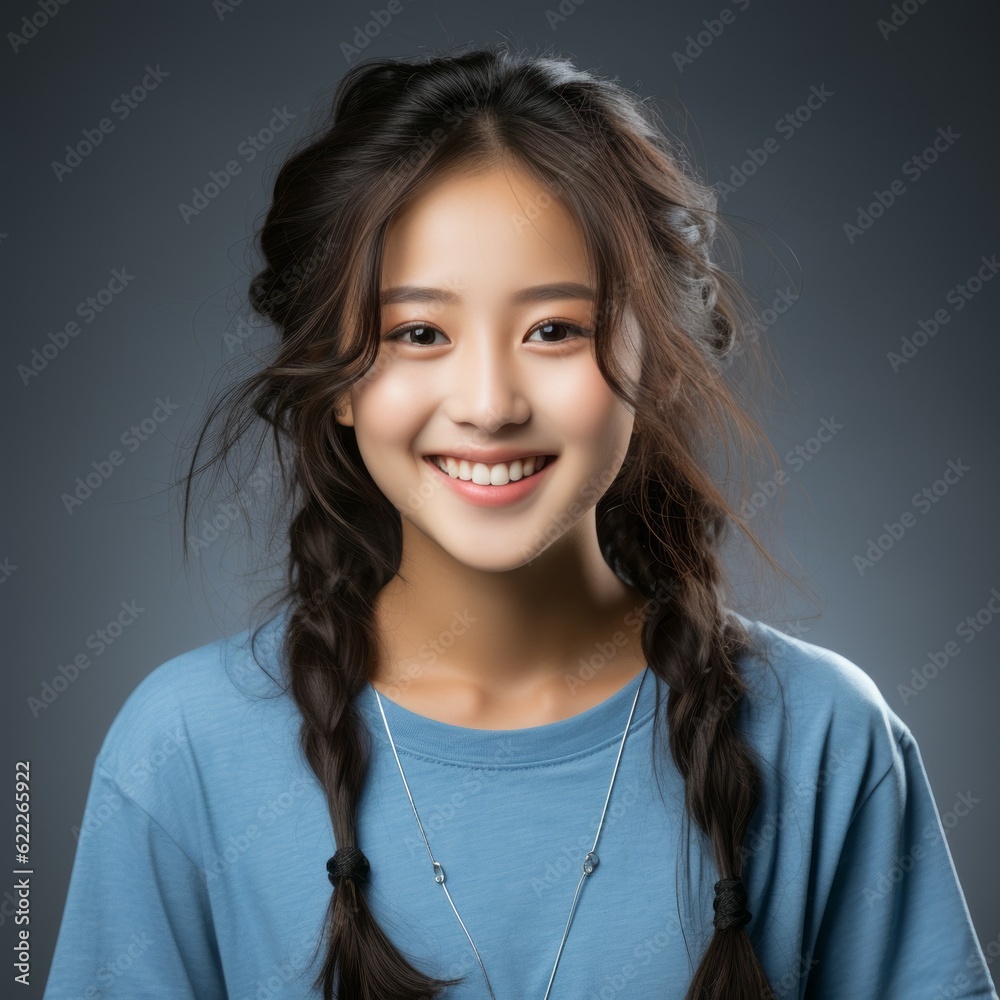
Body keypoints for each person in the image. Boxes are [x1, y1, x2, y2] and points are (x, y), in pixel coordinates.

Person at [43, 44, 998, 1000]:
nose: (490, 403)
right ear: (335, 378)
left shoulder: (825, 737)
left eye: (557, 330)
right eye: (420, 333)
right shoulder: (183, 749)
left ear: (655, 364)